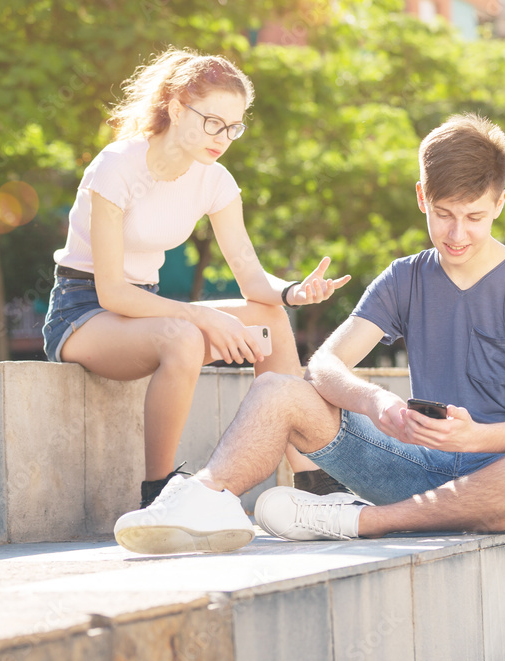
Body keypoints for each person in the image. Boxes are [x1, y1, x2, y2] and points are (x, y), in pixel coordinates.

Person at [112, 112, 505, 554]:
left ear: (500, 203)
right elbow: (324, 364)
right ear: (422, 196)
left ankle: (366, 522)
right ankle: (201, 500)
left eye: (475, 217)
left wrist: (476, 438)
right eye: (443, 213)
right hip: (413, 466)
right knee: (278, 389)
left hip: (503, 477)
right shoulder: (405, 277)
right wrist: (377, 403)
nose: (457, 233)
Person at [42, 48, 349, 511]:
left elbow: (250, 276)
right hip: (83, 313)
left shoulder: (215, 180)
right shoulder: (116, 166)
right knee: (184, 337)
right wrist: (202, 320)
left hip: (146, 310)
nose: (224, 137)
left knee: (270, 318)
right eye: (213, 122)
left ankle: (312, 482)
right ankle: (159, 493)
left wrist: (290, 291)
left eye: (234, 126)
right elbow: (111, 291)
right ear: (177, 107)